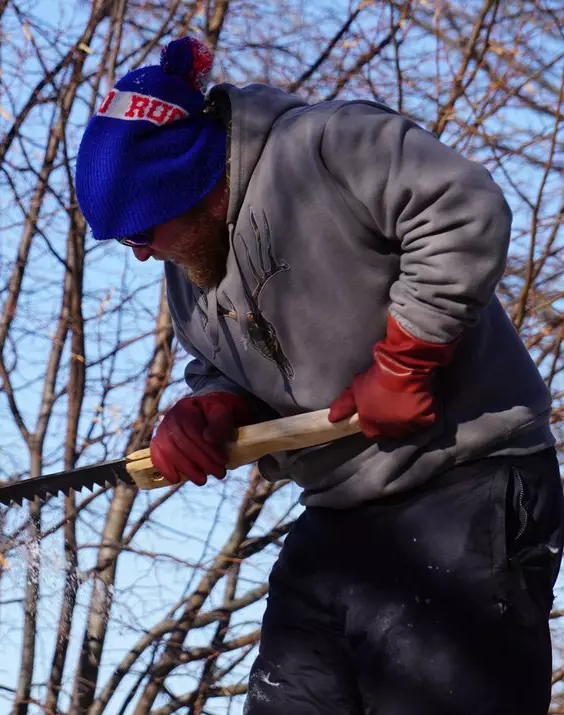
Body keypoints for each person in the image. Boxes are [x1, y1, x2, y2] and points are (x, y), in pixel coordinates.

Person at [74, 36, 564, 714]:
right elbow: (217, 364)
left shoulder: (324, 149)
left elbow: (464, 207)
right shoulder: (189, 273)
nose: (138, 255)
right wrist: (214, 407)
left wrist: (407, 358)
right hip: (337, 515)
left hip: (465, 481)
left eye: (142, 232)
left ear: (195, 185)